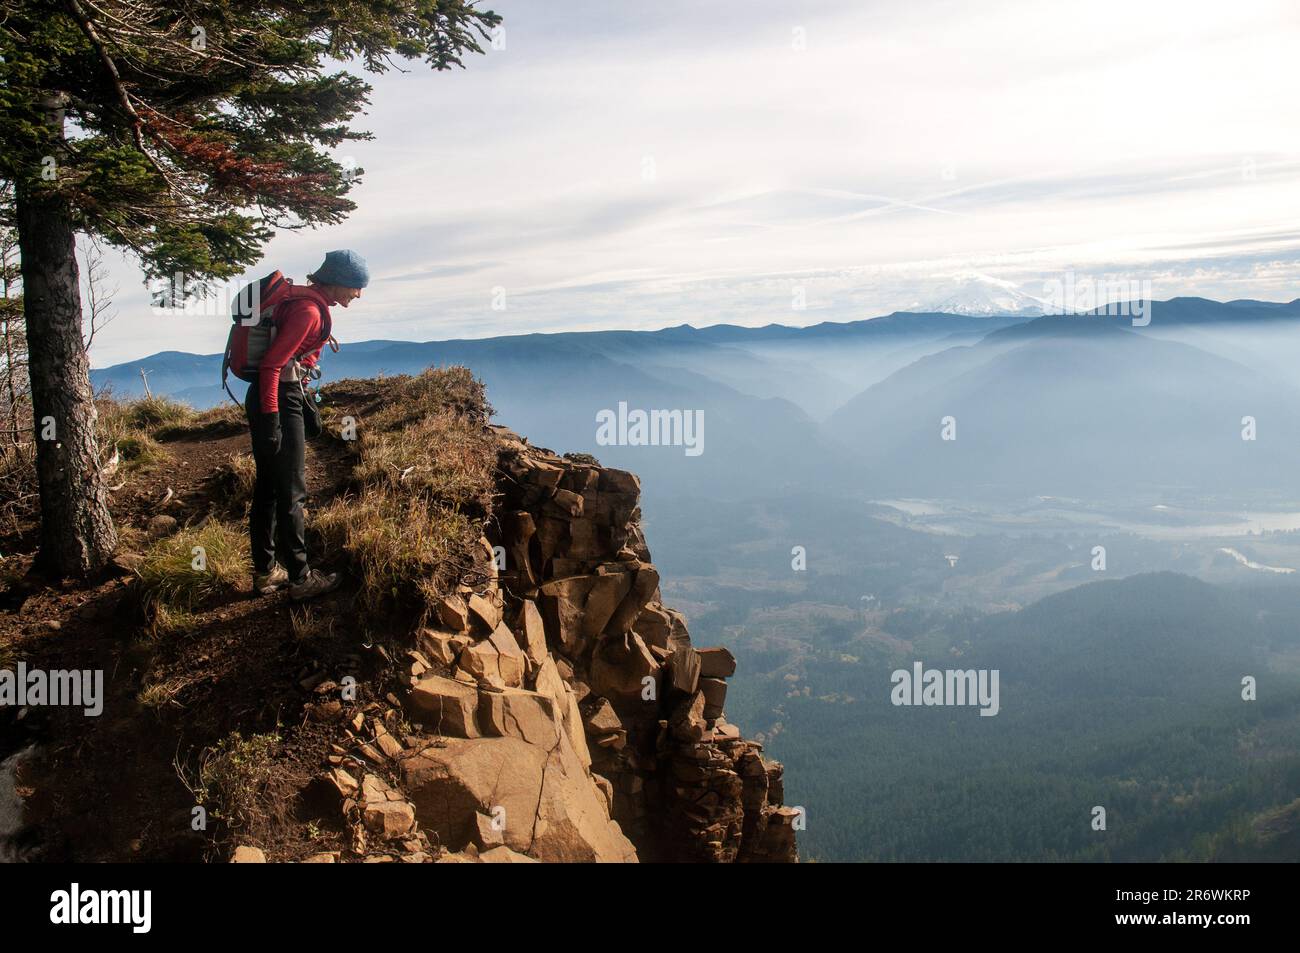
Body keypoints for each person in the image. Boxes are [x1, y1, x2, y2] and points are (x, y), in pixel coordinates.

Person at [246, 249, 369, 600]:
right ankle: (301, 580)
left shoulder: (307, 305)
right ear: (340, 281)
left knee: (269, 489)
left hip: (270, 398)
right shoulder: (308, 311)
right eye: (356, 287)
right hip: (278, 401)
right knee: (291, 493)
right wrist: (273, 420)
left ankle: (266, 572)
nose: (357, 295)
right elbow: (272, 366)